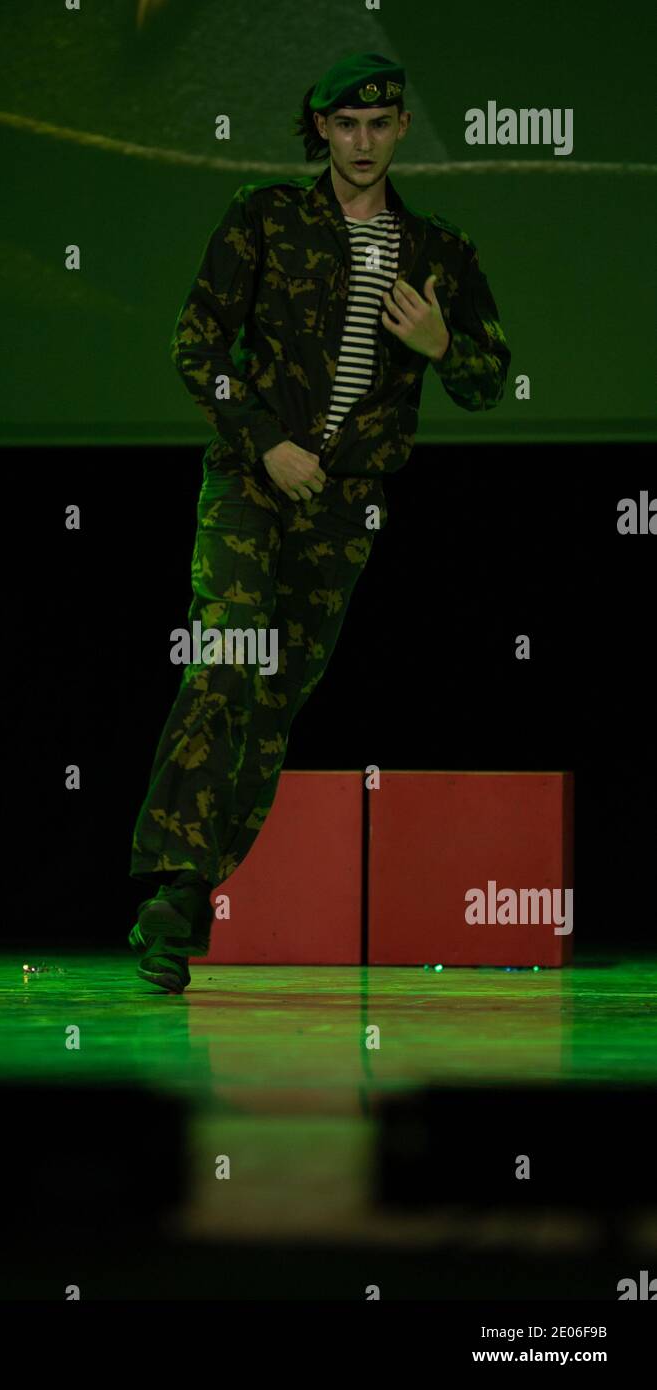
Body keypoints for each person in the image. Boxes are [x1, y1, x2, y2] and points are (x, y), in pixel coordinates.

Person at [128, 52, 511, 992]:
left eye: (380, 125)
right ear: (322, 132)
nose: (363, 142)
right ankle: (170, 891)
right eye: (346, 126)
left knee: (274, 701)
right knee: (225, 654)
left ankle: (193, 889)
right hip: (252, 482)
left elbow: (488, 382)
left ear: (401, 129)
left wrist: (441, 343)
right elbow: (196, 345)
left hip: (346, 506)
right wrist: (263, 441)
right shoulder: (264, 217)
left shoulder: (440, 253)